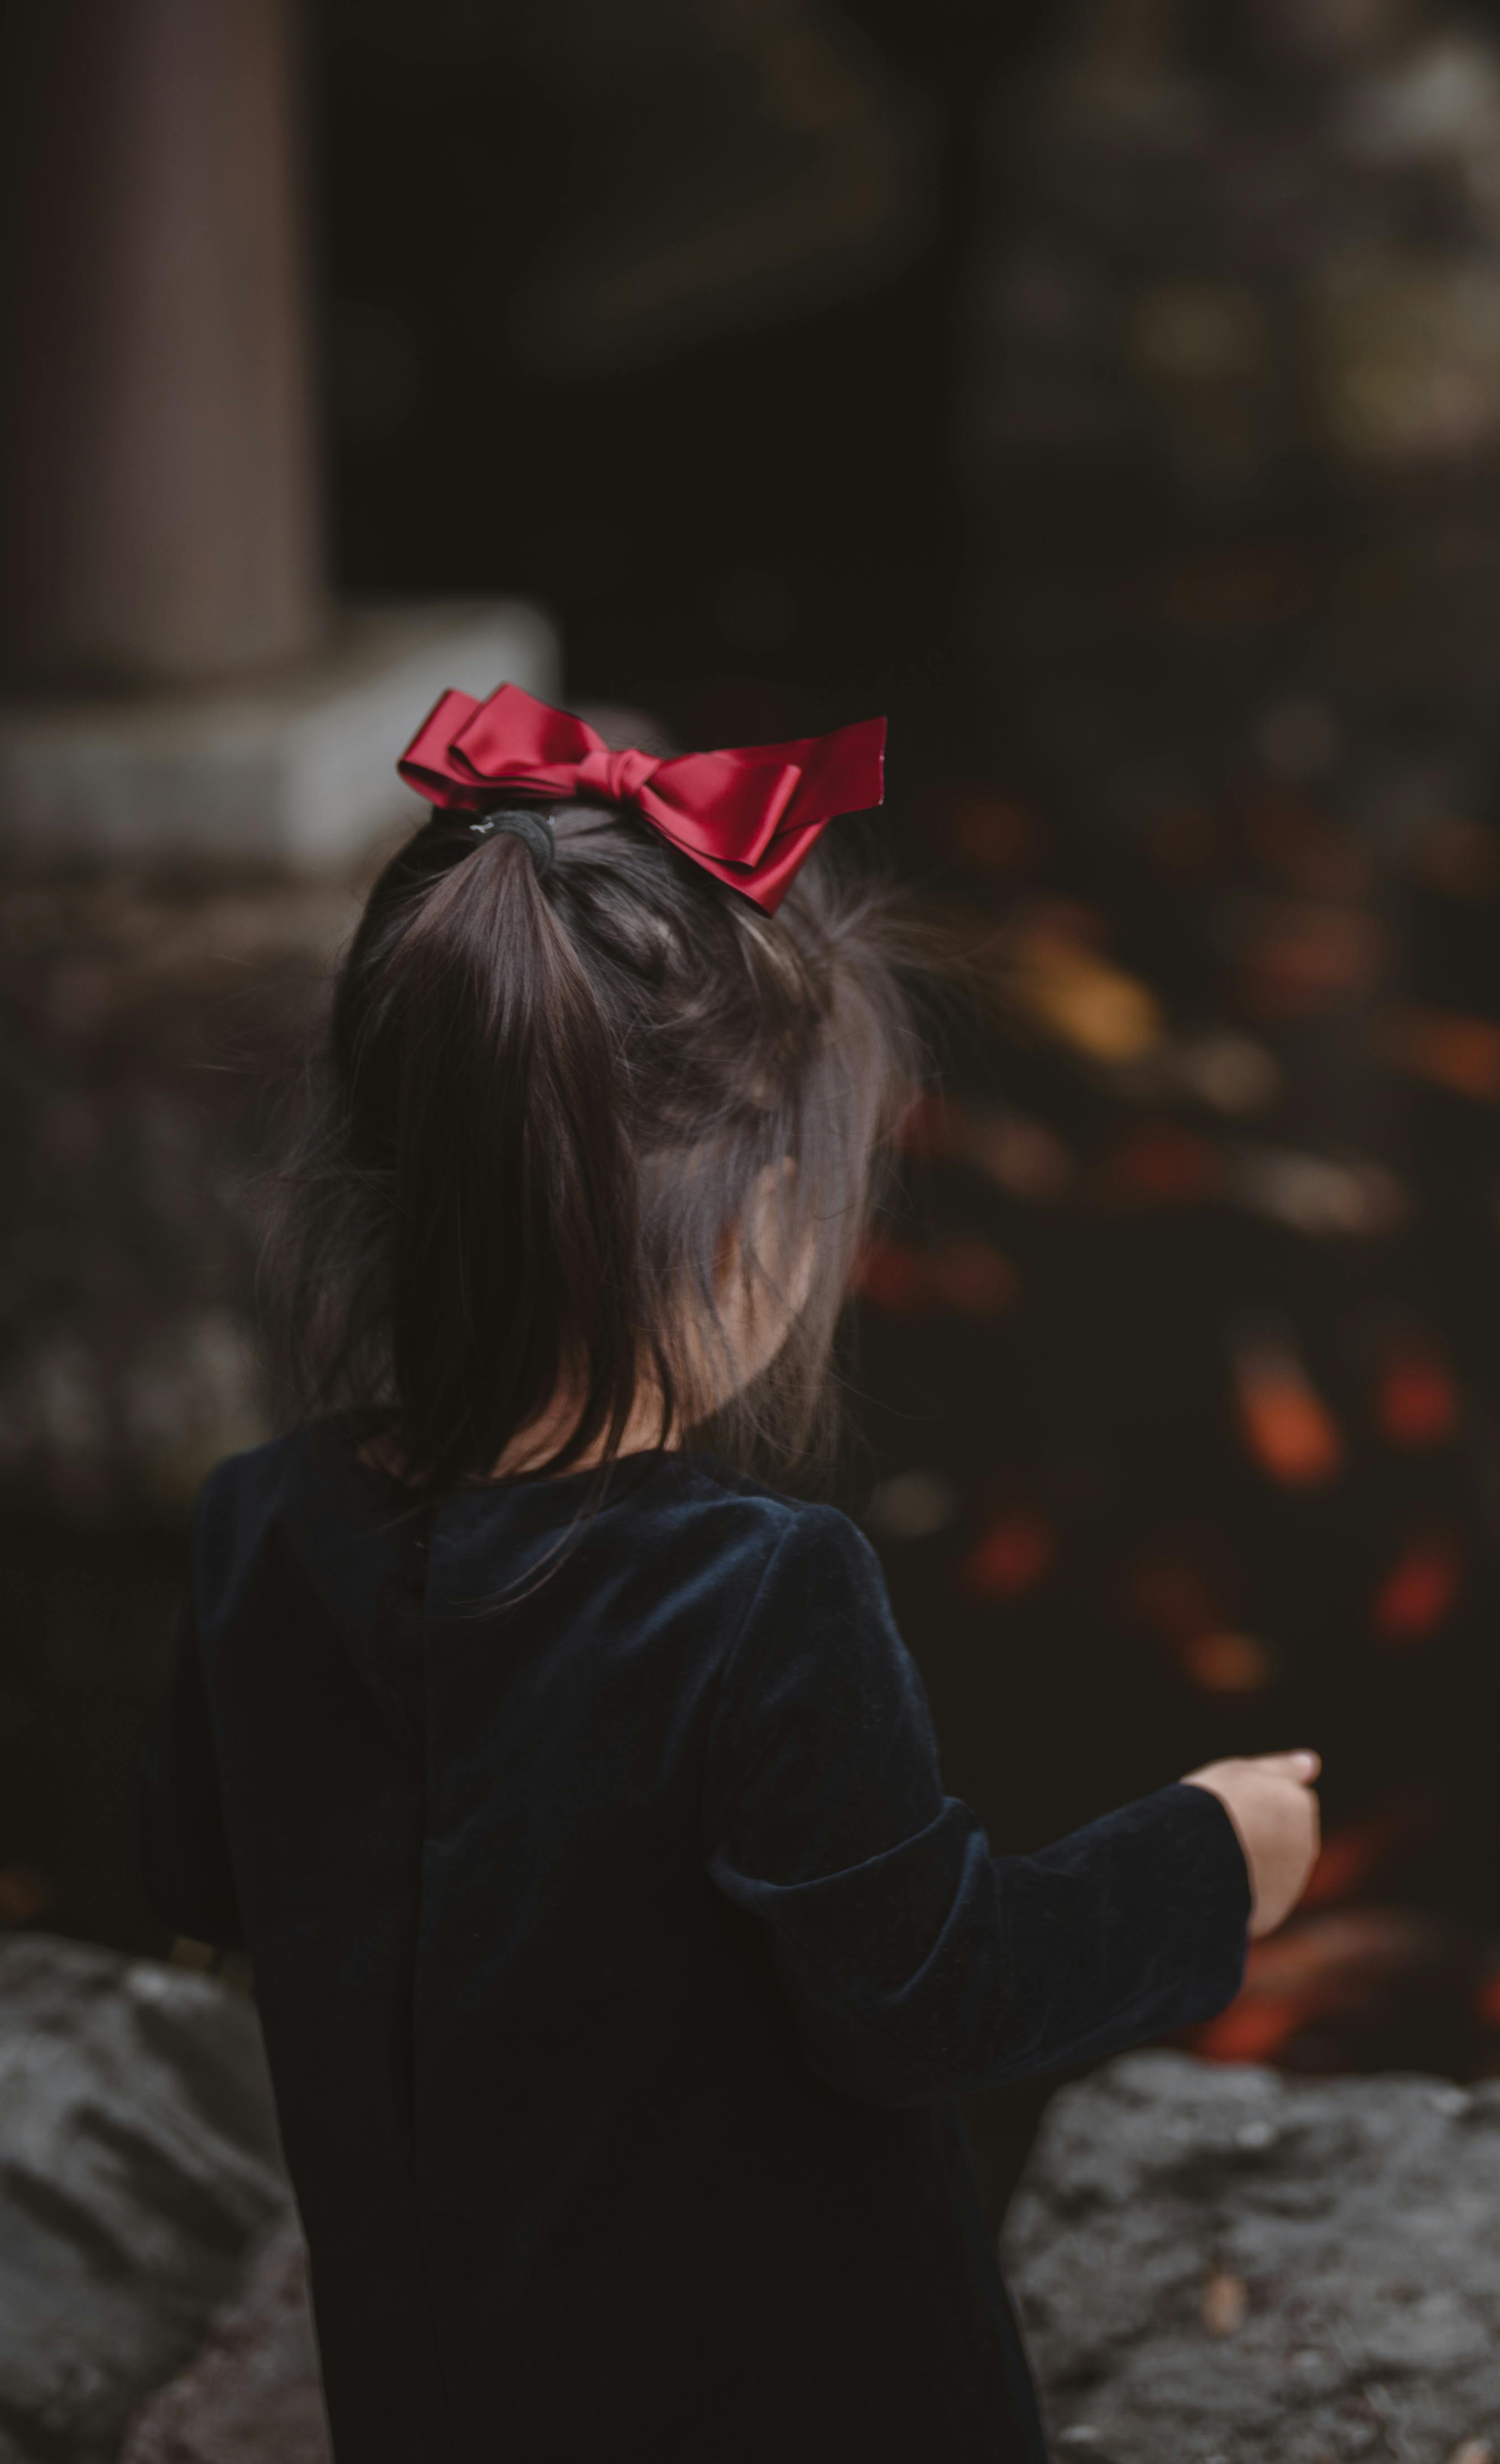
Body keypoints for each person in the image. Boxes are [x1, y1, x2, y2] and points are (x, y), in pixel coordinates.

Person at [140, 686, 1320, 2463]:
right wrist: (1212, 1861)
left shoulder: (256, 1528)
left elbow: (203, 1872)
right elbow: (935, 1995)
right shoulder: (758, 1594)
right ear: (758, 1232)